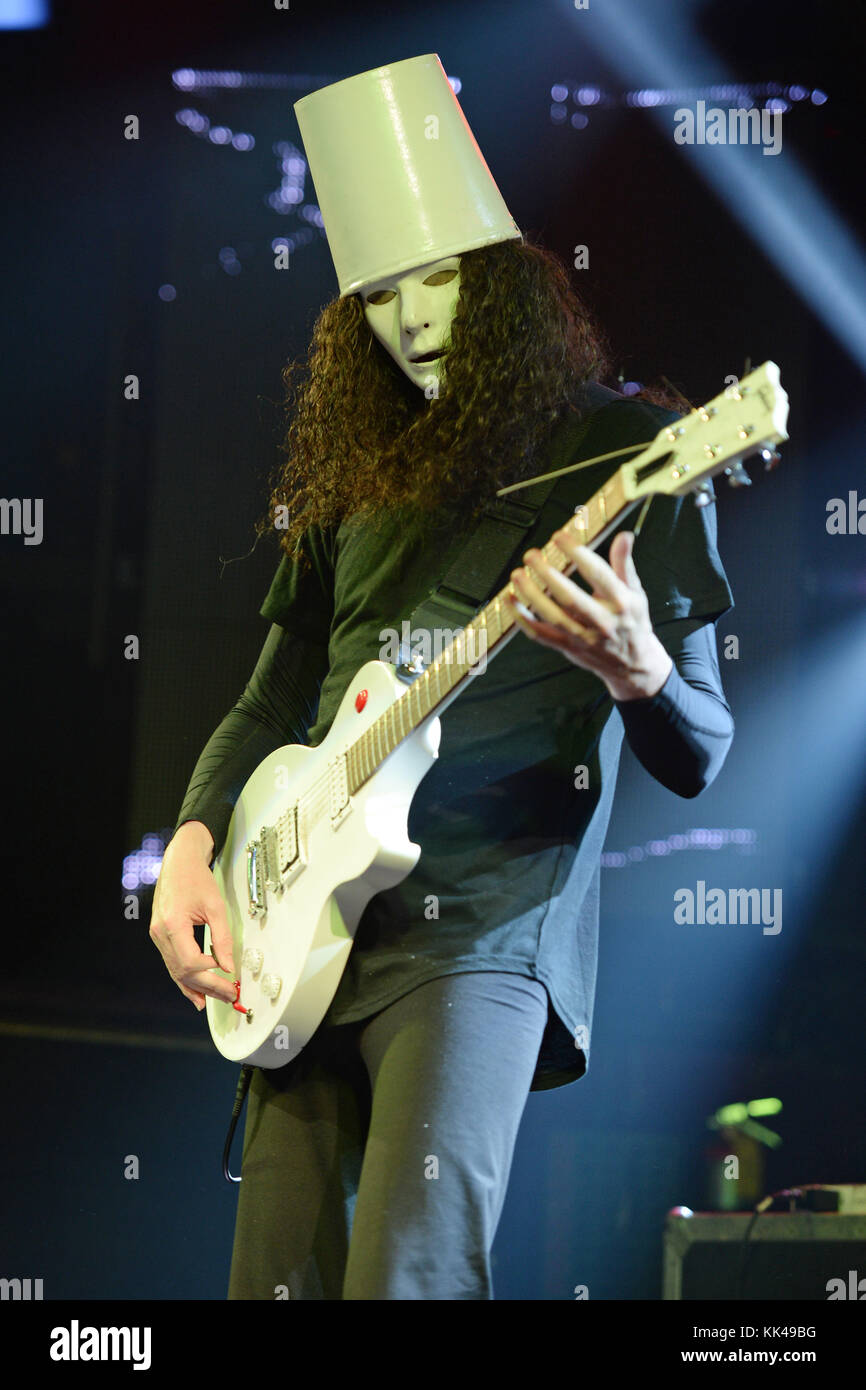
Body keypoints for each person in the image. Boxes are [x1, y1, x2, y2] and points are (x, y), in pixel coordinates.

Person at [148, 56, 735, 1300]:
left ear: (508, 290)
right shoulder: (356, 476)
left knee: (404, 1274)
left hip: (485, 928)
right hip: (302, 924)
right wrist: (193, 846)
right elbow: (268, 699)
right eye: (376, 296)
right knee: (273, 1285)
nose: (409, 321)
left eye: (438, 284)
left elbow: (701, 750)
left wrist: (638, 672)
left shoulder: (620, 450)